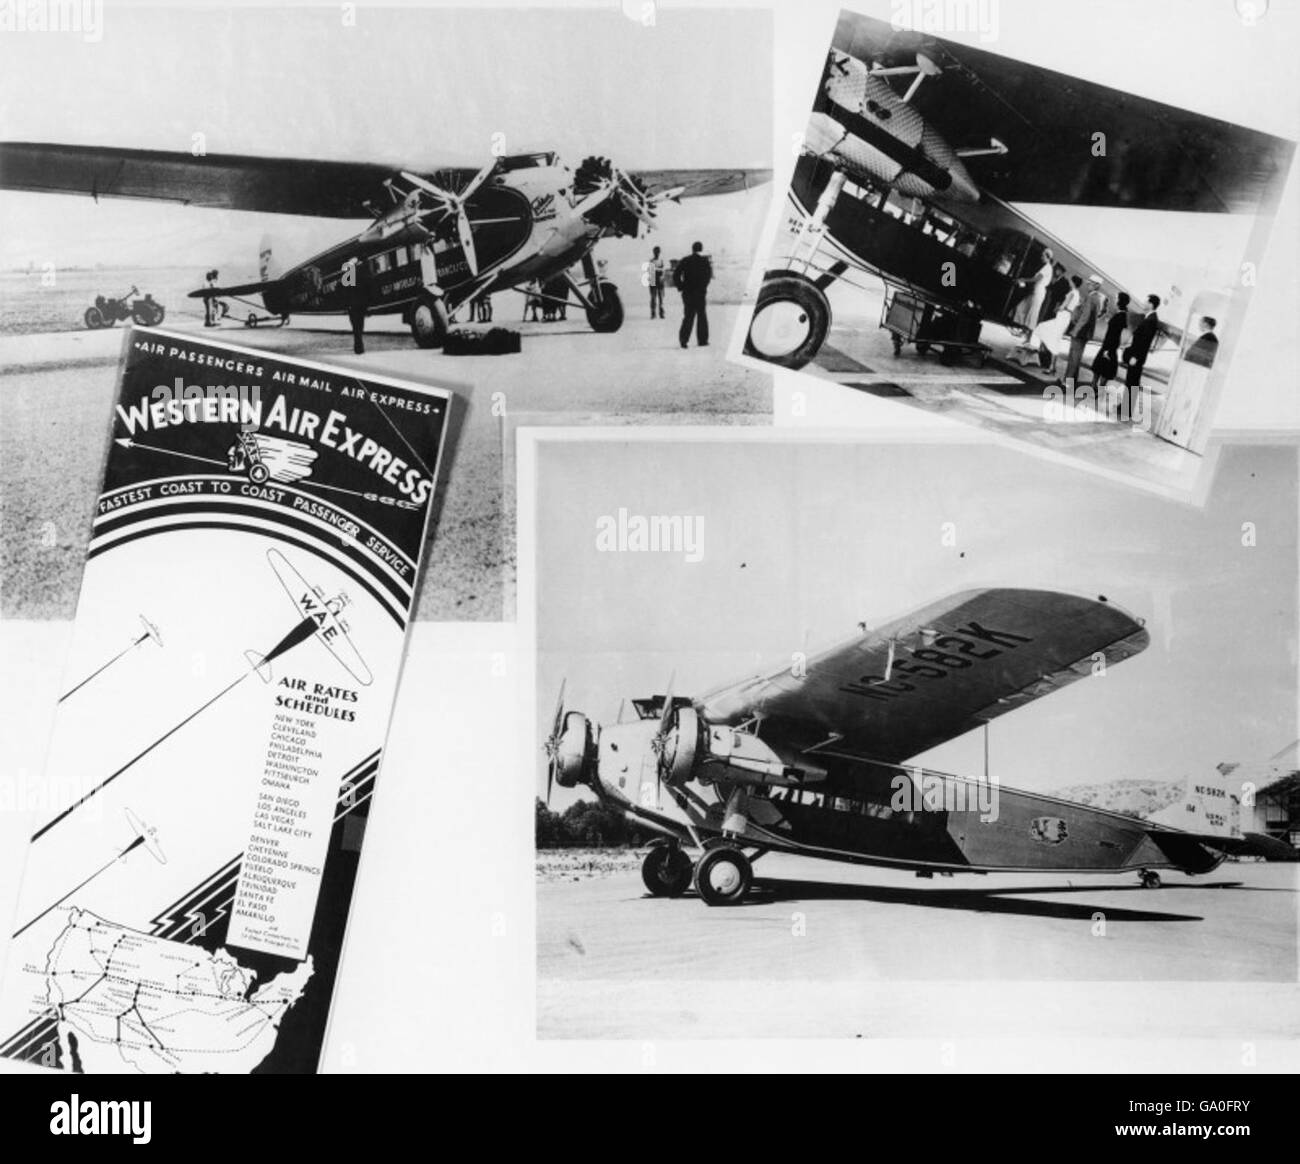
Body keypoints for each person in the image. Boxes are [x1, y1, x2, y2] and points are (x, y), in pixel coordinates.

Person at [1123, 294, 1161, 421]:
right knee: (1131, 381)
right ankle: (1125, 407)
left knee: (1132, 382)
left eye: (1145, 302)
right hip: (1136, 356)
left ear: (1151, 304)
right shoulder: (1150, 318)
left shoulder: (1151, 320)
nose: (1143, 303)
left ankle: (1126, 410)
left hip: (1137, 357)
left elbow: (1144, 342)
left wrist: (1135, 356)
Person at [1063, 274, 1105, 390]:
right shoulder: (1096, 298)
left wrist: (1075, 330)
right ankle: (1072, 381)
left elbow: (1085, 317)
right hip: (1085, 333)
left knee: (1074, 358)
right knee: (1076, 357)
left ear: (1096, 285)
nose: (1087, 284)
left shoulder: (1091, 298)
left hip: (1081, 332)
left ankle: (1068, 383)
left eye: (1090, 283)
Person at [1089, 291, 1130, 391]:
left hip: (1109, 346)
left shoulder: (1120, 316)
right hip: (1109, 346)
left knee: (1102, 370)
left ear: (1120, 301)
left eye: (1116, 298)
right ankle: (1097, 390)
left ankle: (1096, 390)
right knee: (1103, 370)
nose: (1115, 300)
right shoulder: (1121, 314)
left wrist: (1108, 350)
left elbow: (1114, 334)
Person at [674, 241, 712, 348]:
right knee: (701, 316)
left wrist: (681, 286)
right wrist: (703, 287)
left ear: (692, 249)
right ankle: (702, 340)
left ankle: (683, 340)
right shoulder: (704, 261)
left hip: (688, 293)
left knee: (688, 316)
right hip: (700, 293)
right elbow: (708, 276)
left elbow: (676, 274)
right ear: (701, 249)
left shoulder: (685, 260)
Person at [1014, 247, 1053, 331]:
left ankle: (1026, 332)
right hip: (1035, 290)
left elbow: (1037, 279)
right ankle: (1021, 328)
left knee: (1033, 312)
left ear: (1047, 257)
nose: (1041, 257)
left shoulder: (1048, 268)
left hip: (1039, 292)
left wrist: (1024, 279)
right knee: (1022, 307)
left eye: (1043, 256)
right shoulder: (1045, 267)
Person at [345, 256, 372, 355]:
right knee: (360, 326)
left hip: (353, 305)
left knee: (356, 327)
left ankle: (358, 347)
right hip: (361, 304)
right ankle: (359, 347)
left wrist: (347, 304)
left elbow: (347, 290)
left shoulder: (351, 274)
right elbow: (368, 289)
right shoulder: (364, 272)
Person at [648, 246, 666, 319]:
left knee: (661, 298)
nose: (657, 253)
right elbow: (651, 271)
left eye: (658, 252)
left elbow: (662, 271)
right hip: (653, 281)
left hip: (660, 281)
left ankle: (661, 313)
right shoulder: (652, 261)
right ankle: (653, 313)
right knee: (653, 298)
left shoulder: (661, 261)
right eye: (656, 252)